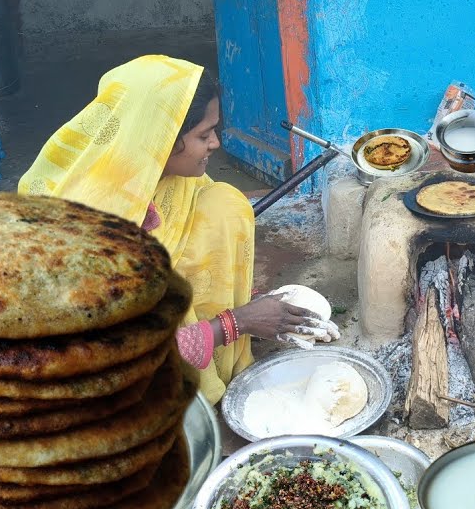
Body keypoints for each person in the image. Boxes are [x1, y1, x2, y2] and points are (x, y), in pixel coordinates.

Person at [19, 55, 331, 404]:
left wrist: (249, 303)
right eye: (204, 134)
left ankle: (210, 360)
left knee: (223, 205)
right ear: (161, 139)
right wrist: (237, 322)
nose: (215, 144)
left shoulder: (153, 179)